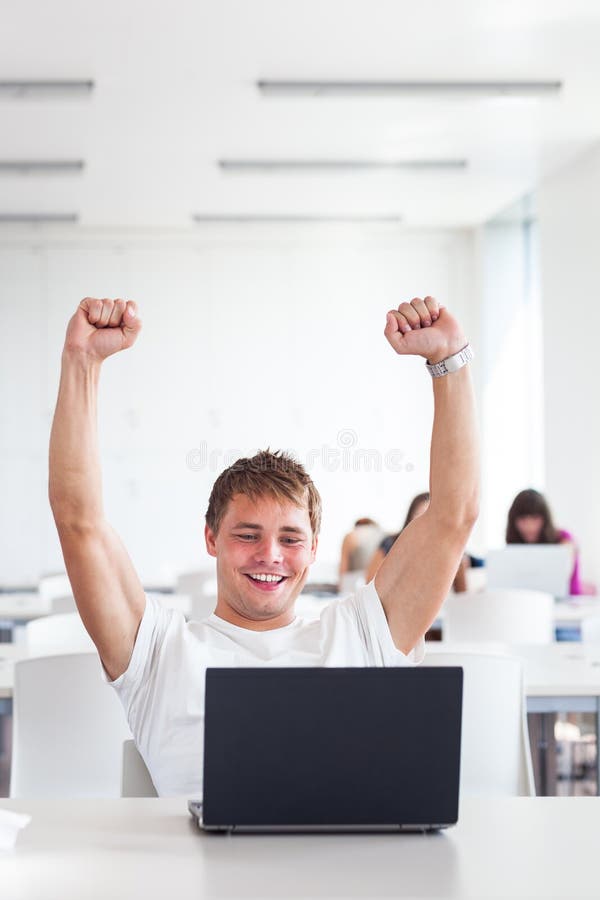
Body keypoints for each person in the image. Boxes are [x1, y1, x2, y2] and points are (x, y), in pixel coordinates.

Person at [49, 295, 478, 796]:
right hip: (201, 873)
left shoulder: (361, 636)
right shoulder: (159, 654)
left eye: (290, 538)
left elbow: (453, 517)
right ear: (211, 538)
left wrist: (450, 361)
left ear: (314, 548)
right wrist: (81, 362)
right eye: (247, 535)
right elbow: (78, 521)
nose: (270, 555)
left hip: (347, 869)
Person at [365, 491, 482, 591]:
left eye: (433, 519)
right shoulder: (390, 542)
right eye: (420, 517)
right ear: (410, 518)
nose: (426, 526)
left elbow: (462, 597)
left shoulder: (449, 551)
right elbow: (370, 582)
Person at [506, 488, 583, 595]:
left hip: (566, 606)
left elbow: (564, 572)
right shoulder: (513, 546)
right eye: (523, 519)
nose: (529, 526)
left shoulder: (564, 538)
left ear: (545, 519)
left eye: (535, 518)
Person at [338, 517, 383, 591]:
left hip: (354, 586)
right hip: (375, 587)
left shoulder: (350, 536)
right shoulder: (384, 537)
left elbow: (343, 573)